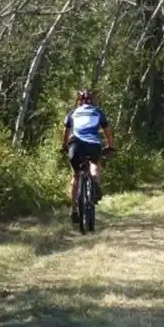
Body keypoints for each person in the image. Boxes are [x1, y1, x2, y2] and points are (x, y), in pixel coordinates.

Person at [62, 89, 115, 225]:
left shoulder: (73, 113)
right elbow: (107, 130)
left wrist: (64, 146)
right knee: (95, 163)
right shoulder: (97, 112)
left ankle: (74, 209)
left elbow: (66, 131)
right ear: (93, 101)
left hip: (76, 145)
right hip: (93, 144)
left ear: (79, 101)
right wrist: (110, 145)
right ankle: (95, 182)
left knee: (76, 176)